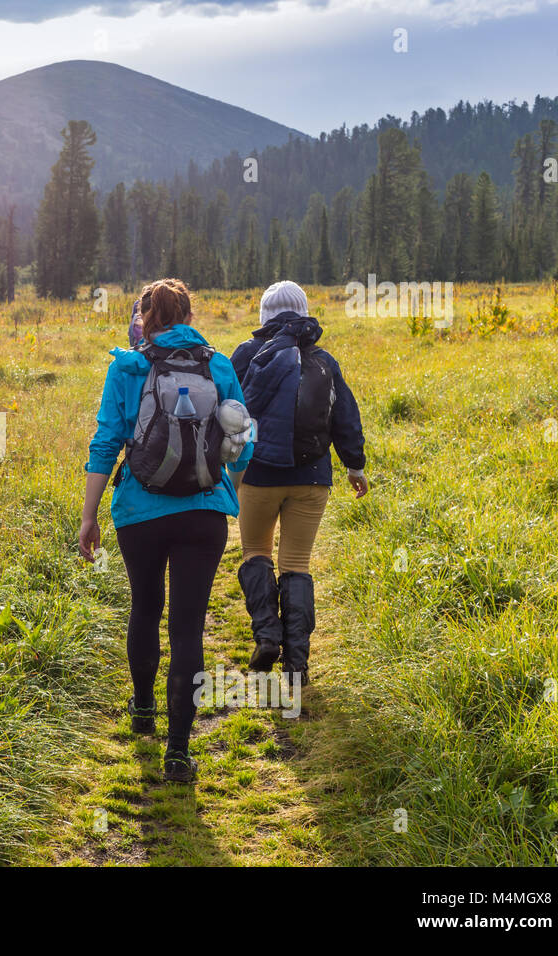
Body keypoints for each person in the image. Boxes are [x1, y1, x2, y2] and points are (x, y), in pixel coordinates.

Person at [79, 278, 253, 782]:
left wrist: (89, 515)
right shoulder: (218, 366)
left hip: (140, 512)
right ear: (188, 315)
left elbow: (106, 442)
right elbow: (243, 439)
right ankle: (179, 751)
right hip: (204, 514)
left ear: (143, 319)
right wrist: (226, 488)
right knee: (188, 628)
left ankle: (141, 710)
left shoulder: (128, 367)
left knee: (145, 608)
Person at [230, 280, 368, 686]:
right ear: (304, 313)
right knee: (297, 565)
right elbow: (345, 418)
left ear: (264, 317)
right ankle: (297, 667)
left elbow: (226, 411)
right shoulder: (324, 360)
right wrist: (354, 467)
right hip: (311, 478)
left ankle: (267, 636)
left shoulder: (245, 355)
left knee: (256, 551)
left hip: (256, 475)